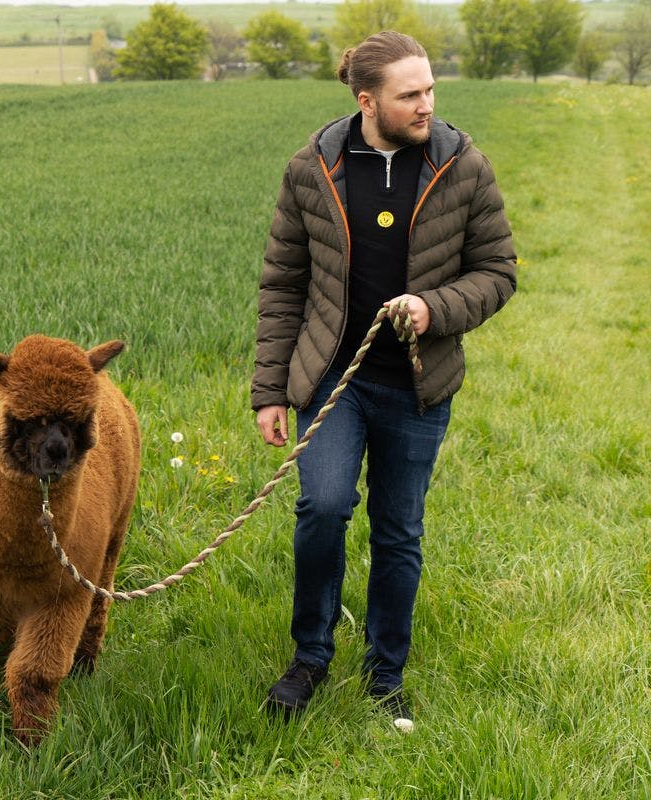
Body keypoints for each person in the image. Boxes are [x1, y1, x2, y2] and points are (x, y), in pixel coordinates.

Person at [251, 30, 517, 726]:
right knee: (324, 508)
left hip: (418, 388)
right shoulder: (311, 168)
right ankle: (309, 658)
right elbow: (283, 284)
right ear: (368, 101)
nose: (428, 104)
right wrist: (272, 390)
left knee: (398, 530)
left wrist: (436, 307)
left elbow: (498, 272)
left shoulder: (465, 167)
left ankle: (385, 674)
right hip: (333, 379)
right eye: (411, 95)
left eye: (430, 89)